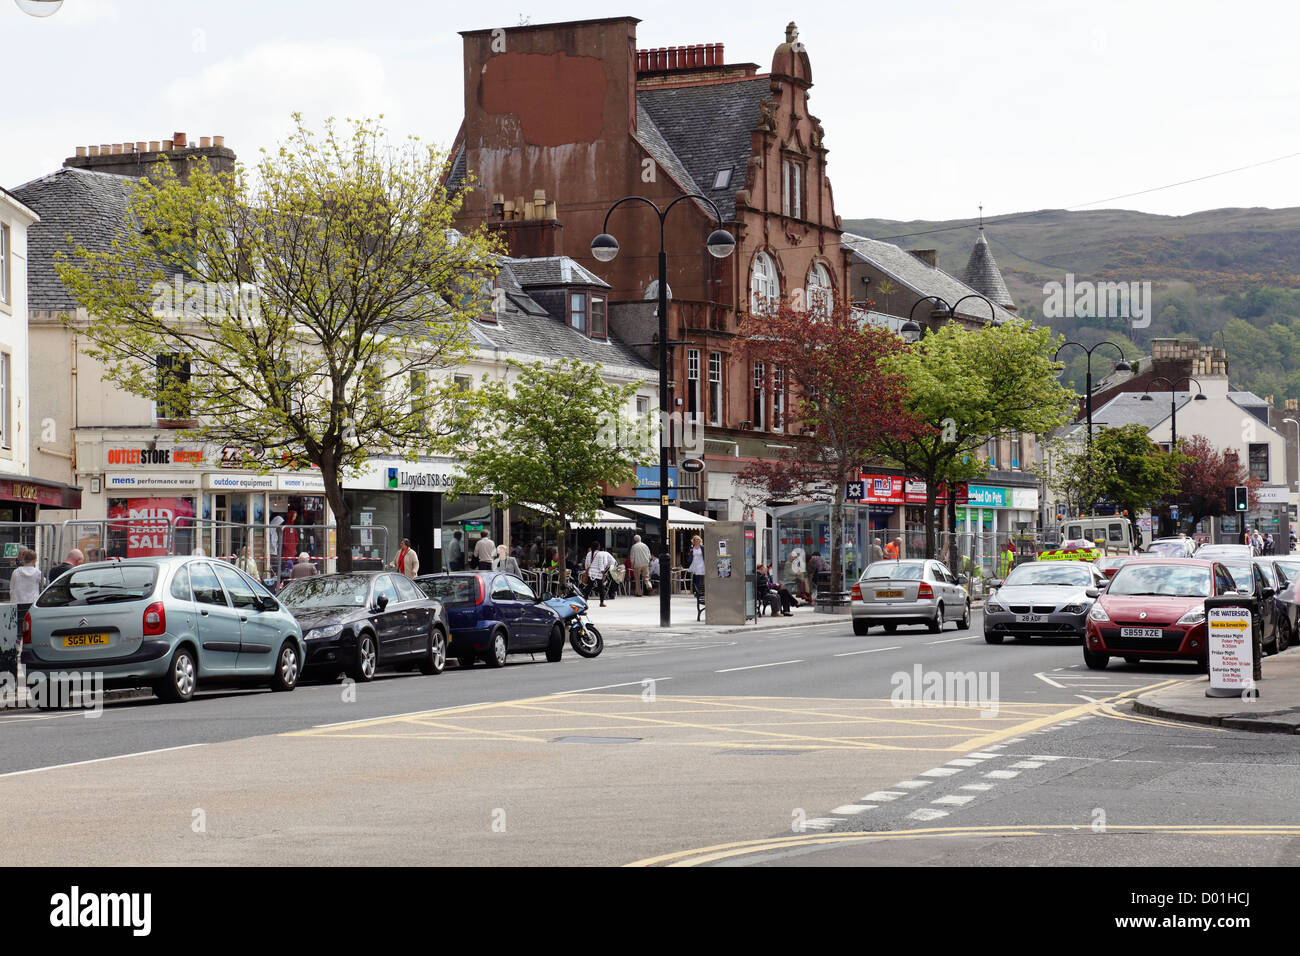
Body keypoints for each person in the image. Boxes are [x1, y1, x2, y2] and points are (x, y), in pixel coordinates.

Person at [584, 540, 615, 607]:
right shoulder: (600, 554)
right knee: (601, 588)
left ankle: (584, 601)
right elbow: (601, 565)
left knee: (588, 587)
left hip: (590, 573)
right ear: (598, 547)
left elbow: (586, 564)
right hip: (598, 573)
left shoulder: (588, 553)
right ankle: (601, 602)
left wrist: (587, 570)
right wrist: (603, 573)